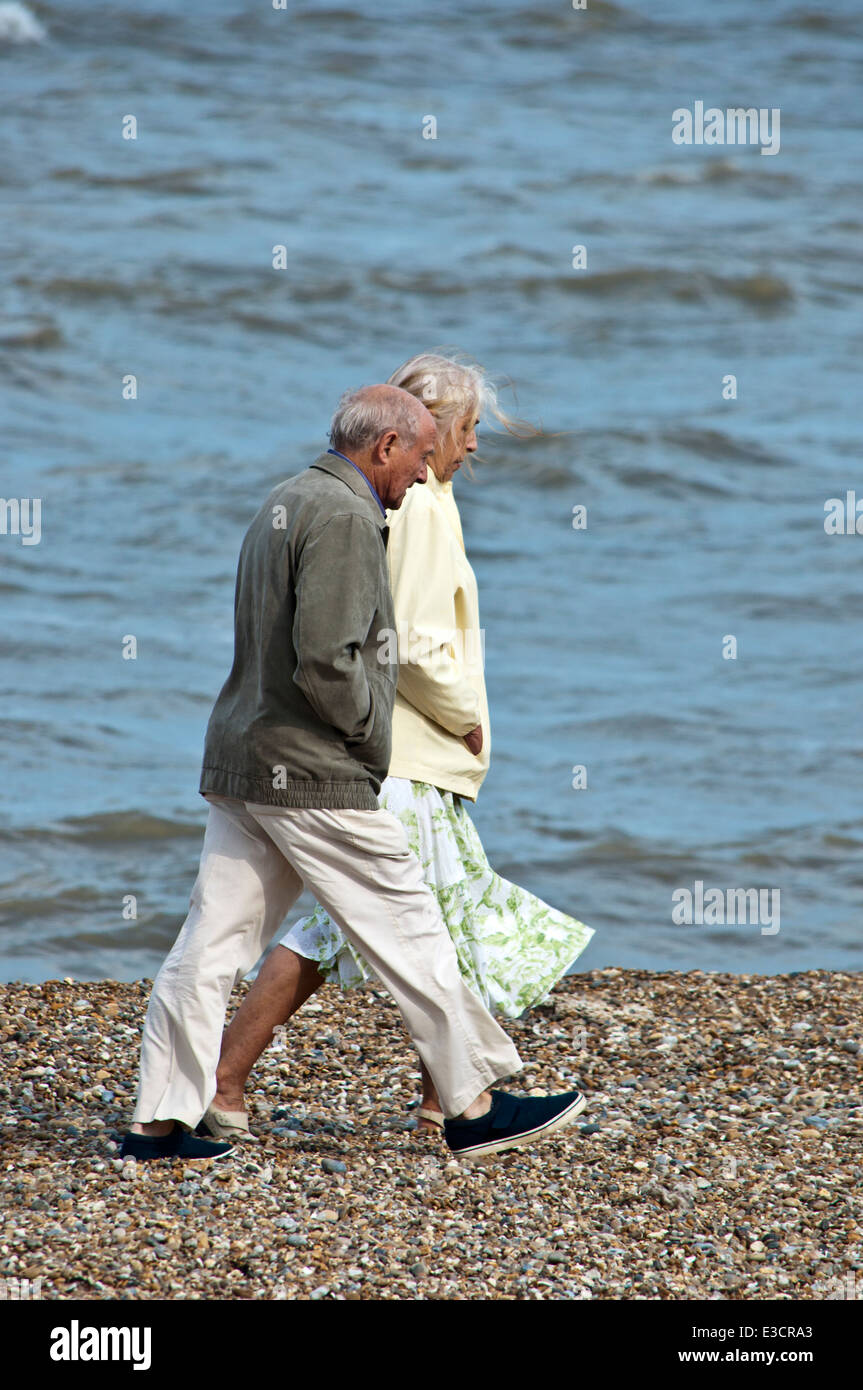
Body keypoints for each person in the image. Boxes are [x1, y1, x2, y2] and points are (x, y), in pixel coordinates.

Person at [121, 383, 586, 1164]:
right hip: (309, 771)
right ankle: (471, 1108)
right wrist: (371, 740)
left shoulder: (287, 496)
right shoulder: (342, 515)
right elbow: (328, 657)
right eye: (418, 452)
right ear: (384, 447)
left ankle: (160, 1124)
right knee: (409, 926)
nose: (426, 468)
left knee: (209, 942)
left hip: (242, 759)